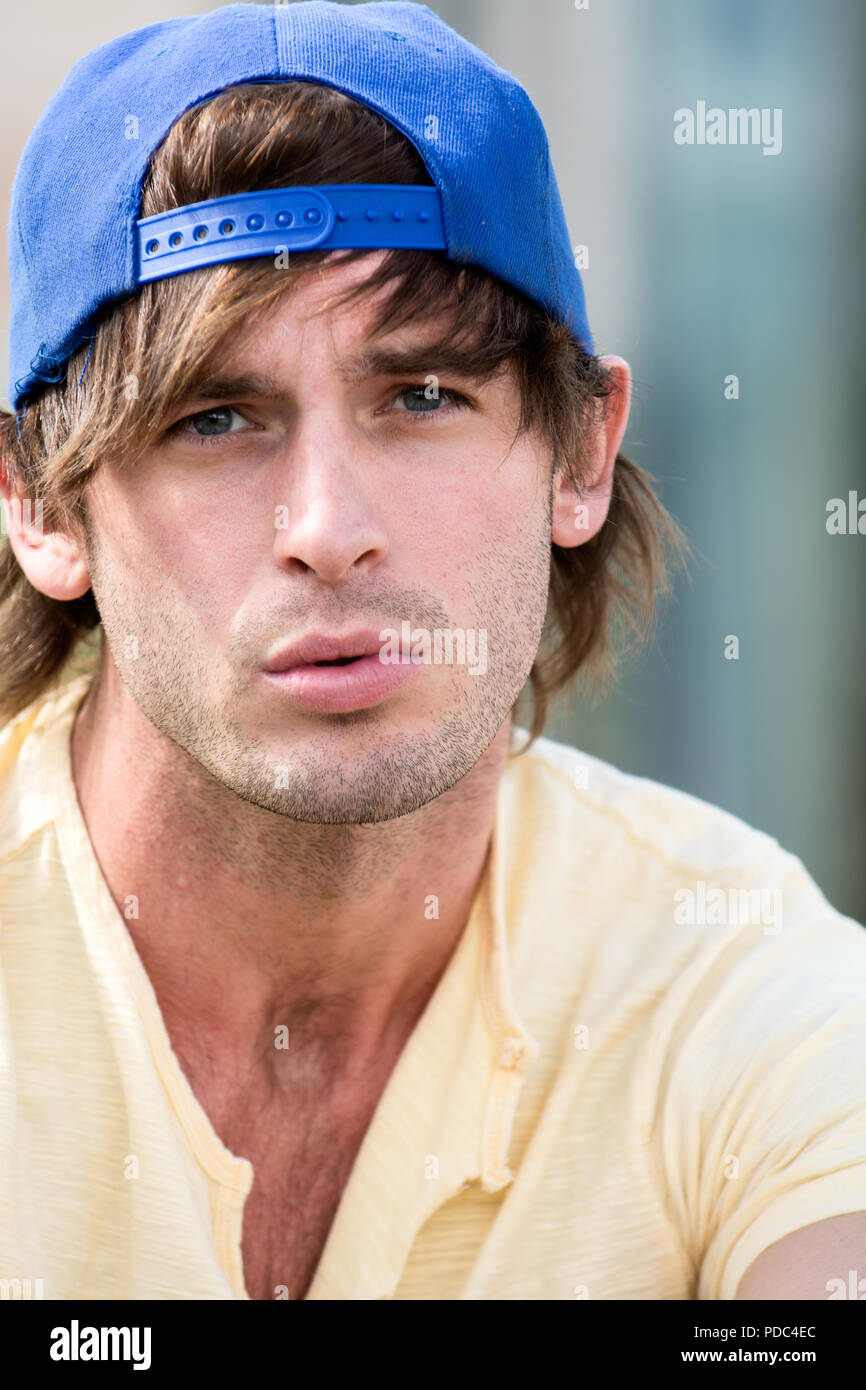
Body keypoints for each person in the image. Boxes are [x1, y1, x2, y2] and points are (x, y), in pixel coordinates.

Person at [1, 1, 864, 1303]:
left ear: (578, 452)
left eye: (419, 396)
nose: (328, 532)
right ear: (44, 507)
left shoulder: (732, 980)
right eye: (216, 417)